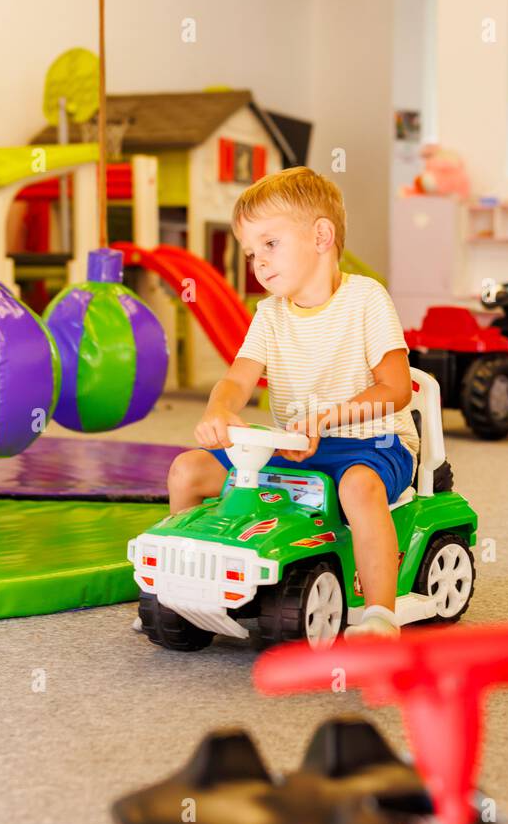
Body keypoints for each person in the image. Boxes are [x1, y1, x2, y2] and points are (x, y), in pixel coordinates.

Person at [166, 167, 418, 639]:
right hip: (297, 447)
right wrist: (218, 410)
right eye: (250, 252)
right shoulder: (268, 314)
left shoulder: (365, 299)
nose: (257, 262)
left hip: (372, 442)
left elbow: (396, 388)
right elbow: (237, 379)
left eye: (270, 243)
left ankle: (381, 615)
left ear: (321, 236)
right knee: (187, 471)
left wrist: (327, 419)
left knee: (358, 488)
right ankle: (185, 589)